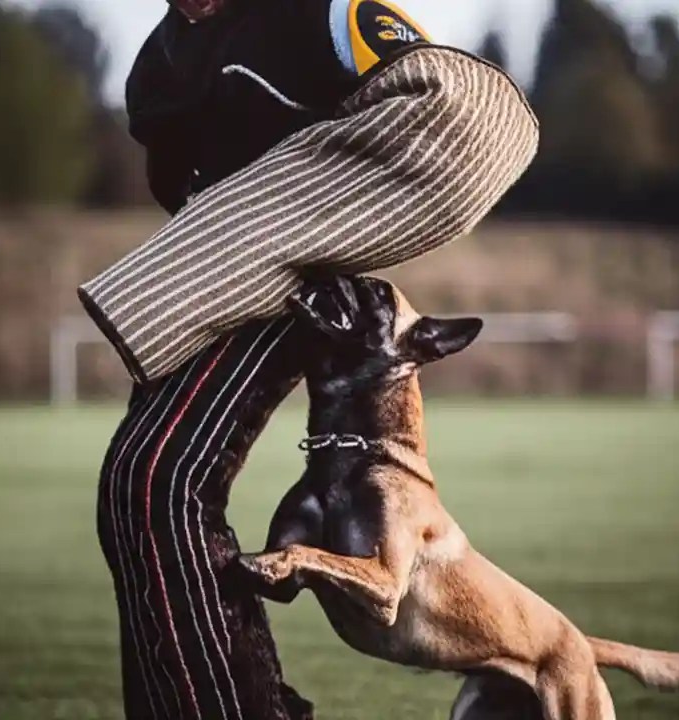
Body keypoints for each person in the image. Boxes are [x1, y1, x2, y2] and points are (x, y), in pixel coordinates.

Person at [88, 2, 539, 718]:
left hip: (299, 290)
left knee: (158, 483)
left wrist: (315, 219)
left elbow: (450, 106)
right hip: (214, 285)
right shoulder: (154, 69)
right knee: (134, 493)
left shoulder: (329, 13)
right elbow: (180, 197)